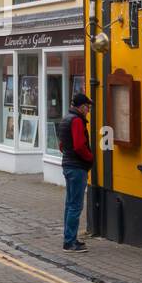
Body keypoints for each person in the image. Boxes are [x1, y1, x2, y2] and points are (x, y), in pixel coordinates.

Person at [56, 92, 94, 252]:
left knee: (69, 204)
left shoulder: (66, 119)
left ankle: (68, 238)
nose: (88, 111)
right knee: (75, 206)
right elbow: (79, 146)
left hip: (68, 165)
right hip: (77, 167)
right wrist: (90, 158)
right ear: (81, 106)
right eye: (87, 107)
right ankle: (70, 242)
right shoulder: (77, 121)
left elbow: (61, 146)